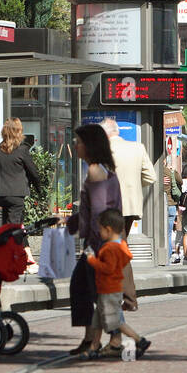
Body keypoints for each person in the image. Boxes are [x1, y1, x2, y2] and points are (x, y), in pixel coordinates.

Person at [66, 124, 123, 355]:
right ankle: (93, 339)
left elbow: (99, 212)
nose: (75, 145)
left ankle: (111, 340)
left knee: (92, 290)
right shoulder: (103, 169)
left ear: (89, 145)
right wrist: (71, 222)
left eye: (78, 141)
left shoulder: (95, 171)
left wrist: (93, 245)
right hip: (103, 242)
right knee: (89, 290)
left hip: (99, 245)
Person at [82, 208, 151, 359]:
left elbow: (107, 268)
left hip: (108, 290)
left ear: (108, 229)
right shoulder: (120, 245)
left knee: (115, 322)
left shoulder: (110, 248)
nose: (99, 233)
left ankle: (140, 340)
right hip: (109, 289)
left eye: (100, 229)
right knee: (97, 320)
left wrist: (92, 259)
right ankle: (94, 346)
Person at [101, 117, 156, 238]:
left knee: (115, 239)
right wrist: (134, 184)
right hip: (132, 202)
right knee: (122, 236)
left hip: (111, 203)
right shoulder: (138, 147)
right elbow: (151, 177)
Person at [0, 120, 40, 227]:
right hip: (17, 195)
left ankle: (19, 243)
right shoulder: (22, 150)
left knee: (5, 225)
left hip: (1, 195)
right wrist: (38, 189)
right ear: (18, 132)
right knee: (13, 227)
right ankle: (13, 243)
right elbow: (33, 172)